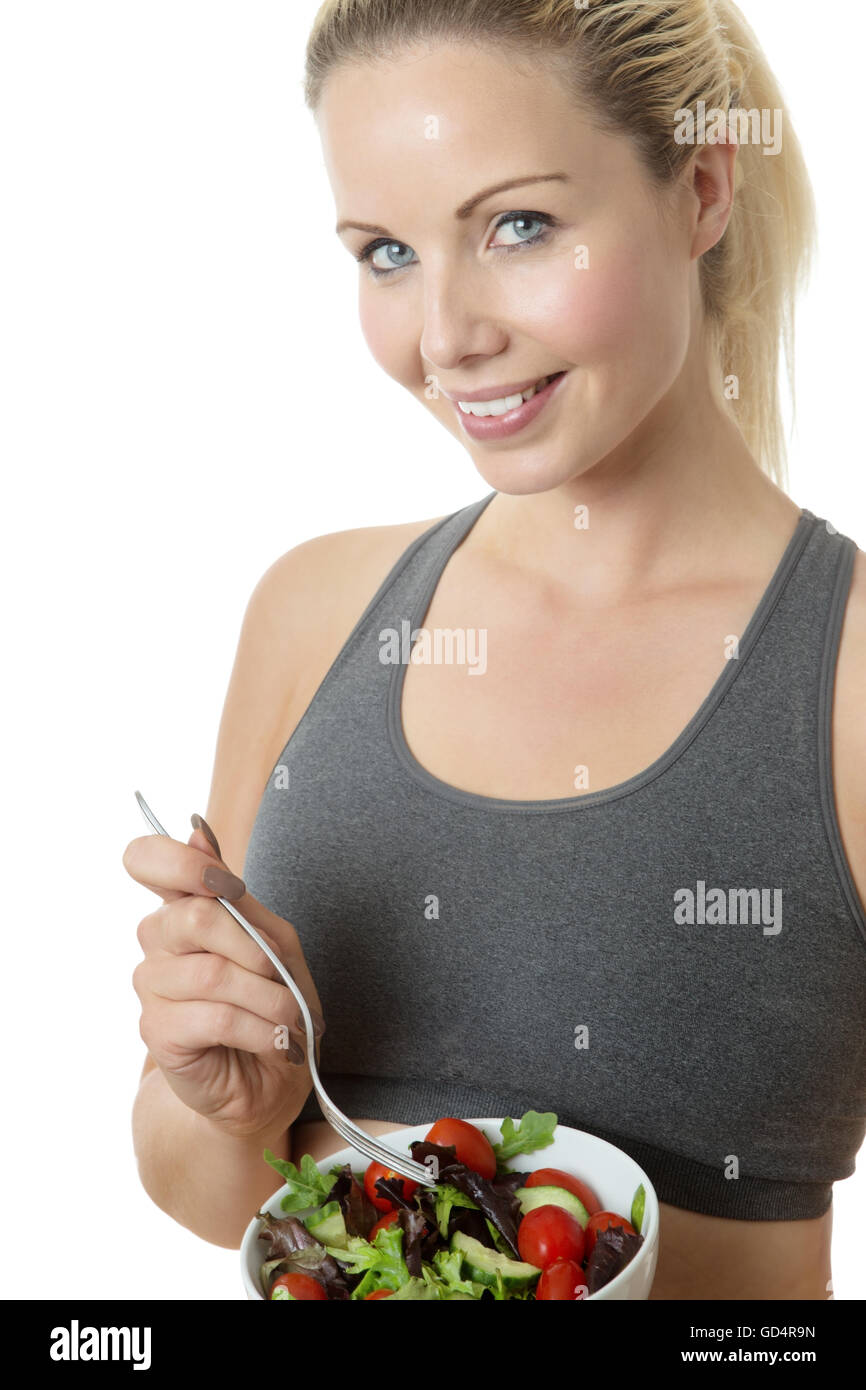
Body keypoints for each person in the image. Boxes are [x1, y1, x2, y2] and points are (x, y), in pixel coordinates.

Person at [125, 0, 866, 1299]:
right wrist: (236, 1099)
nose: (444, 335)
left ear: (701, 189)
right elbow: (213, 1190)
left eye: (518, 225)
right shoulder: (313, 610)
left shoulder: (843, 673)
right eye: (386, 252)